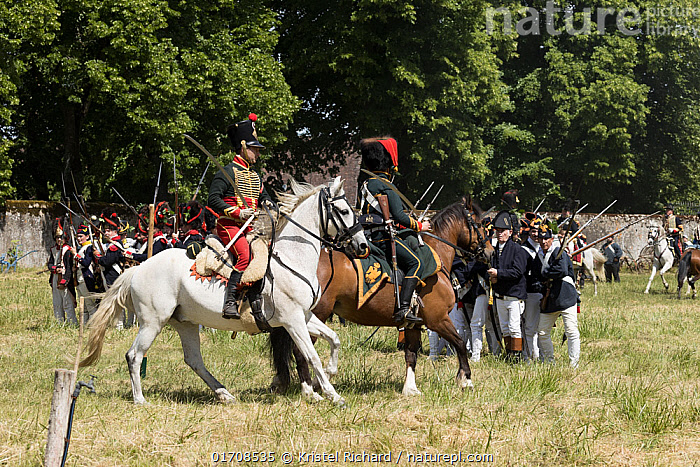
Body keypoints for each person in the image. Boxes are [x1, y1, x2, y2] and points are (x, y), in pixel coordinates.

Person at [358, 136, 431, 324]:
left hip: (366, 236)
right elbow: (400, 216)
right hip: (382, 238)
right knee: (416, 263)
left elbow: (379, 214)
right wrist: (421, 226)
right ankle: (404, 309)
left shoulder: (365, 185)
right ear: (388, 164)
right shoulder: (385, 185)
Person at [208, 113, 272, 319]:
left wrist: (270, 204)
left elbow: (264, 196)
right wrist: (237, 212)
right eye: (255, 149)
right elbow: (213, 199)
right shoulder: (226, 173)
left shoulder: (254, 175)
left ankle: (256, 297)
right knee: (244, 254)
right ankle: (230, 301)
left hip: (251, 227)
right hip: (230, 226)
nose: (258, 154)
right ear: (244, 147)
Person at [536, 224, 580, 368]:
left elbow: (561, 271)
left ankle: (574, 363)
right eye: (541, 239)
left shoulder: (558, 252)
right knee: (542, 332)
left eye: (546, 239)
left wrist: (545, 274)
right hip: (550, 298)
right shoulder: (540, 255)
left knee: (571, 331)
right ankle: (549, 361)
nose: (543, 242)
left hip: (565, 295)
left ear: (551, 239)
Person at [487, 210, 528, 361]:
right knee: (505, 327)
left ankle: (516, 356)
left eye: (503, 231)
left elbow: (517, 272)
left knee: (514, 327)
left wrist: (498, 274)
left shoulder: (518, 250)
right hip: (500, 295)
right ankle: (509, 354)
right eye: (497, 231)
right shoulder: (495, 250)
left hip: (514, 295)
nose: (499, 234)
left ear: (510, 232)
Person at [521, 215, 544, 362]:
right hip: (530, 292)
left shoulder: (545, 249)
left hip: (544, 292)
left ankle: (542, 355)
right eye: (534, 231)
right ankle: (531, 355)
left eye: (538, 231)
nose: (536, 234)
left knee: (542, 327)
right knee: (530, 327)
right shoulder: (524, 250)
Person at [47, 218, 78, 325]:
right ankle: (59, 323)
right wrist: (54, 269)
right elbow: (50, 264)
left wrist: (65, 280)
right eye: (57, 237)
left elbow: (69, 268)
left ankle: (72, 323)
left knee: (67, 303)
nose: (59, 239)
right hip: (56, 278)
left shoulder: (68, 250)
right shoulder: (53, 249)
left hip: (65, 278)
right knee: (57, 303)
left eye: (61, 237)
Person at [74, 223, 103, 321]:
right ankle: (84, 326)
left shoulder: (89, 247)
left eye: (81, 236)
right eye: (77, 236)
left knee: (91, 305)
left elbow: (86, 263)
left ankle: (93, 325)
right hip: (80, 279)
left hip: (86, 278)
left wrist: (76, 255)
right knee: (84, 307)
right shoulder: (81, 248)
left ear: (87, 236)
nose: (78, 238)